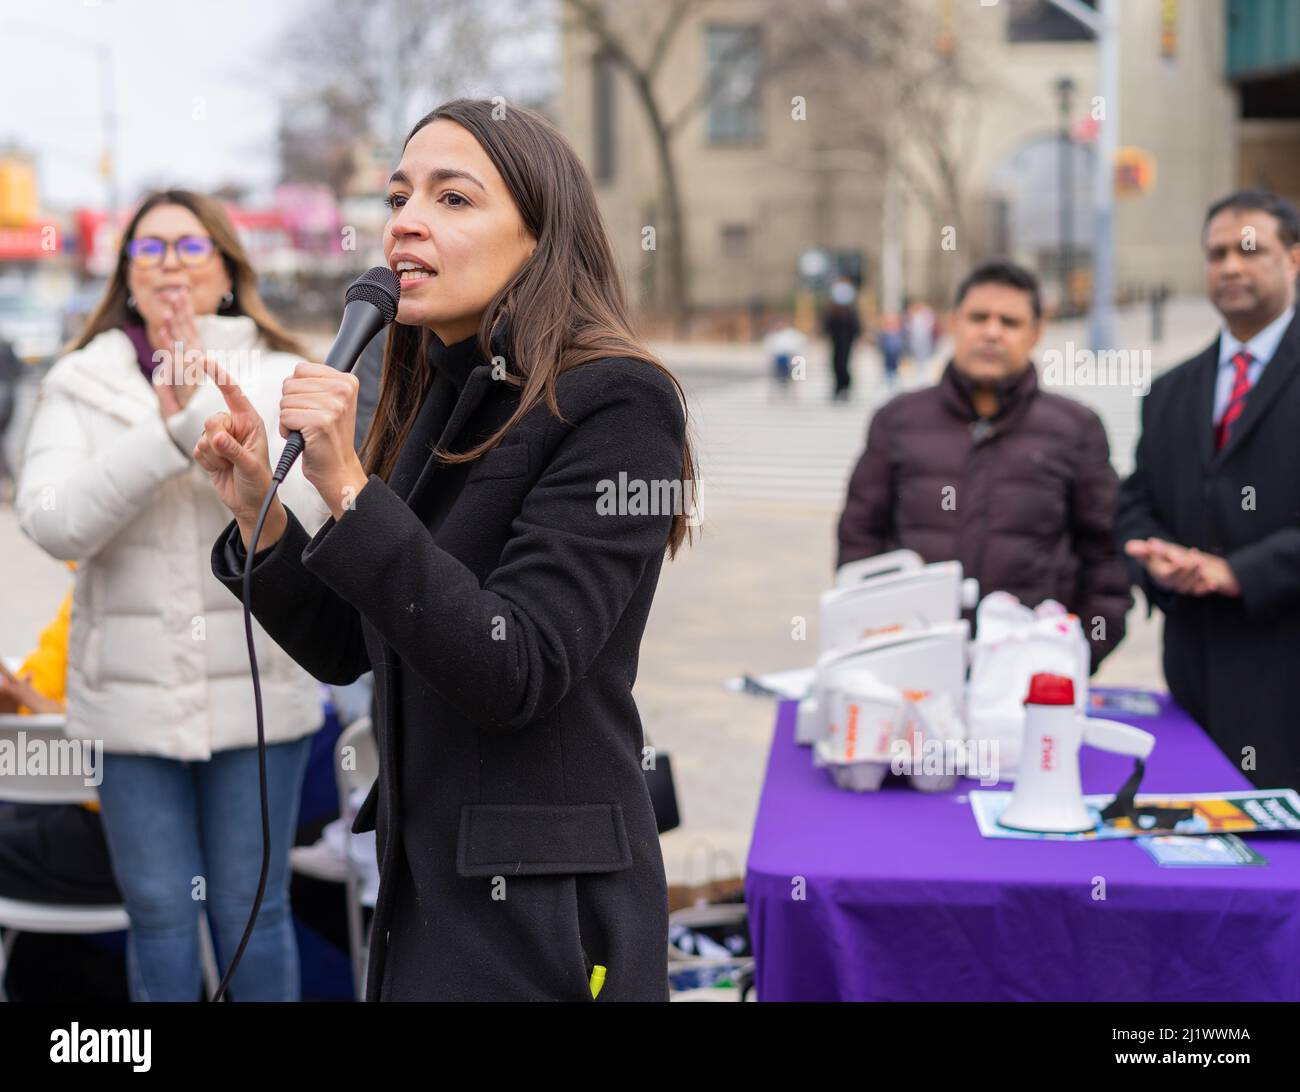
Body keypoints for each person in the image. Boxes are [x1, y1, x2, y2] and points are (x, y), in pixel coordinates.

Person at [197, 99, 695, 1002]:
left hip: (542, 912)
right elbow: (361, 644)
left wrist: (350, 487)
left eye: (453, 198)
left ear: (542, 237)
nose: (406, 222)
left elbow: (518, 666)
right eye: (398, 197)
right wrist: (261, 523)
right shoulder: (439, 390)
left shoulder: (617, 403)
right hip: (423, 883)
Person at [15, 189, 331, 1001]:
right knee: (156, 914)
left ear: (227, 269)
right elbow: (52, 524)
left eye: (190, 247)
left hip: (259, 694)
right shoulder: (81, 381)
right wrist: (166, 435)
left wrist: (231, 447)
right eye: (148, 249)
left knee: (254, 914)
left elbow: (323, 521)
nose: (169, 266)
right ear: (124, 274)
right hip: (127, 706)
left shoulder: (286, 370)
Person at [837, 259, 1130, 672]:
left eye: (1009, 322)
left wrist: (1076, 655)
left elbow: (1107, 556)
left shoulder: (1075, 429)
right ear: (954, 323)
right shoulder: (898, 420)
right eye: (979, 318)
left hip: (1028, 674)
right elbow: (859, 537)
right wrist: (876, 635)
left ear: (1035, 333)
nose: (992, 332)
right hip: (911, 665)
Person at [1117, 190, 1300, 790]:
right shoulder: (1170, 391)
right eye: (1217, 253)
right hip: (1195, 681)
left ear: (1293, 259)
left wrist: (1239, 571)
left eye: (1250, 250)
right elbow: (1136, 499)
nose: (1230, 266)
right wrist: (1155, 558)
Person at [823, 278, 860, 401]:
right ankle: (838, 388)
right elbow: (827, 326)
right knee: (835, 365)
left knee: (843, 364)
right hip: (836, 342)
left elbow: (855, 327)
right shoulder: (833, 312)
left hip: (846, 342)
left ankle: (844, 387)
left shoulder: (850, 313)